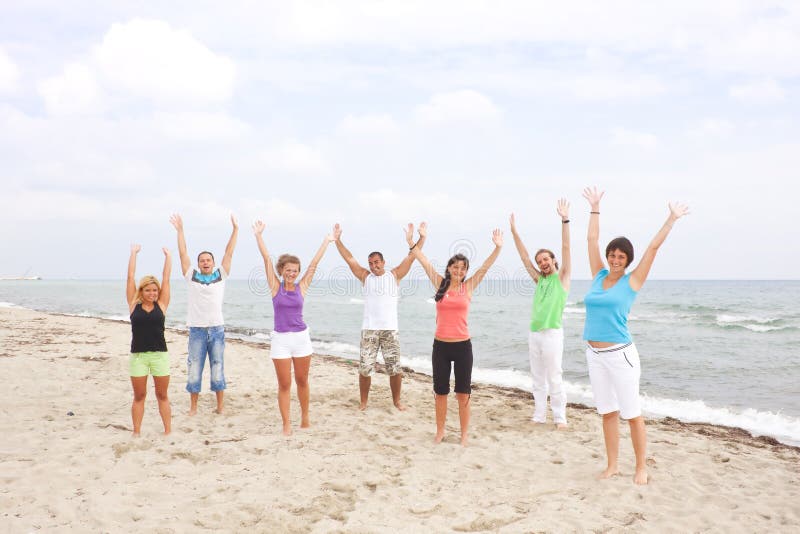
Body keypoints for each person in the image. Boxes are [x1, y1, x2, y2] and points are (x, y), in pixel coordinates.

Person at [582, 186, 689, 485]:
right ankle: (613, 465)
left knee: (631, 413)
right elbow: (591, 239)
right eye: (612, 255)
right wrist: (594, 207)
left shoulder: (633, 281)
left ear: (627, 260)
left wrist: (671, 220)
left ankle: (641, 466)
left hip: (621, 356)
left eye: (621, 256)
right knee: (607, 413)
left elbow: (652, 249)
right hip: (595, 355)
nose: (615, 260)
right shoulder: (599, 276)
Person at [408, 223, 503, 446]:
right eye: (456, 267)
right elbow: (423, 261)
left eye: (463, 268)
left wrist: (497, 248)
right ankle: (440, 432)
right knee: (440, 393)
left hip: (462, 348)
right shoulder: (440, 284)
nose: (459, 271)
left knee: (463, 394)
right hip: (440, 347)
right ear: (449, 268)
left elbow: (485, 268)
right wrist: (413, 241)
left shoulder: (468, 287)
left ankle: (464, 435)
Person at [332, 223, 426, 411]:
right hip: (369, 330)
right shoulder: (365, 277)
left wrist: (421, 238)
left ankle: (397, 401)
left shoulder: (394, 276)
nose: (374, 266)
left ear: (383, 262)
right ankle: (363, 402)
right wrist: (338, 241)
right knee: (365, 368)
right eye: (371, 263)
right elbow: (350, 259)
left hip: (390, 330)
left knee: (394, 369)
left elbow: (412, 257)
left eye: (377, 262)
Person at [253, 220, 335, 435]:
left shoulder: (302, 287)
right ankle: (286, 423)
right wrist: (259, 236)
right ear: (282, 270)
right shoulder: (275, 287)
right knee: (284, 384)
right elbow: (266, 259)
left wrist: (327, 241)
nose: (292, 273)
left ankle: (305, 417)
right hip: (280, 340)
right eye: (288, 270)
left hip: (301, 339)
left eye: (295, 270)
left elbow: (314, 264)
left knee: (302, 381)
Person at [510, 199, 572, 428]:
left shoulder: (562, 277)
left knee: (554, 377)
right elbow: (524, 257)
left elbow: (566, 248)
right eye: (540, 261)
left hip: (552, 334)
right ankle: (539, 415)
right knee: (537, 379)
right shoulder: (539, 279)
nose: (542, 263)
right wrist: (515, 232)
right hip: (534, 334)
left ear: (553, 260)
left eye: (546, 259)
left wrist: (565, 220)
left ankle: (559, 417)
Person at [170, 213, 239, 415]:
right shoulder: (192, 276)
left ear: (213, 262)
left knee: (217, 367)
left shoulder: (221, 275)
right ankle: (193, 408)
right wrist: (180, 230)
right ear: (199, 264)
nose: (206, 262)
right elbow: (183, 254)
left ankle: (220, 407)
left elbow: (229, 252)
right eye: (202, 260)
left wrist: (235, 229)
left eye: (209, 260)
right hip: (197, 330)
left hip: (217, 330)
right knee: (194, 368)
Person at [125, 244, 172, 436]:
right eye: (148, 290)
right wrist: (133, 254)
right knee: (139, 396)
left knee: (162, 395)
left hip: (160, 356)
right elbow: (130, 278)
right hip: (138, 357)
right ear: (141, 291)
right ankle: (136, 432)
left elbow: (166, 279)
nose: (152, 293)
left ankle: (168, 431)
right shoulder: (133, 305)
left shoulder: (161, 304)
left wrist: (168, 257)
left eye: (155, 290)